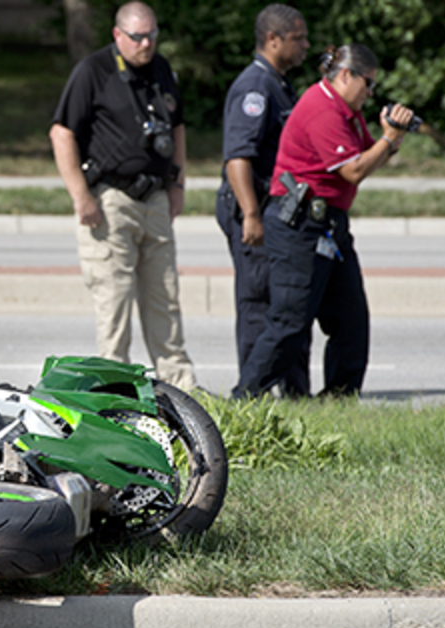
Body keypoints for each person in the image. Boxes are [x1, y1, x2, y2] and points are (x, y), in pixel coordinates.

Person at [233, 44, 414, 398]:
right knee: (289, 321)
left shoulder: (347, 110)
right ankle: (245, 399)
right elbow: (354, 170)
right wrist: (389, 140)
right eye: (368, 83)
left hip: (330, 226)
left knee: (351, 320)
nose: (371, 92)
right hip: (299, 226)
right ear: (345, 75)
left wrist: (391, 139)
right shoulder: (322, 108)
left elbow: (367, 157)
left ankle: (340, 399)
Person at [49, 1, 196, 391]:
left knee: (165, 300)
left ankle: (181, 389)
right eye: (137, 37)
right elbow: (62, 133)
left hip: (155, 199)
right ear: (118, 35)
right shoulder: (93, 72)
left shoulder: (161, 69)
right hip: (110, 201)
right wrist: (81, 196)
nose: (145, 44)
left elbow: (177, 127)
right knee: (114, 308)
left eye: (151, 35)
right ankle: (115, 394)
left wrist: (178, 184)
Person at [217, 4, 311, 398]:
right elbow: (238, 157)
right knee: (259, 304)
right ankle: (252, 398)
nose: (306, 46)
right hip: (250, 208)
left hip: (274, 211)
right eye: (298, 39)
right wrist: (251, 215)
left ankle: (291, 392)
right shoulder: (255, 87)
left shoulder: (278, 83)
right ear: (273, 40)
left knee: (286, 302)